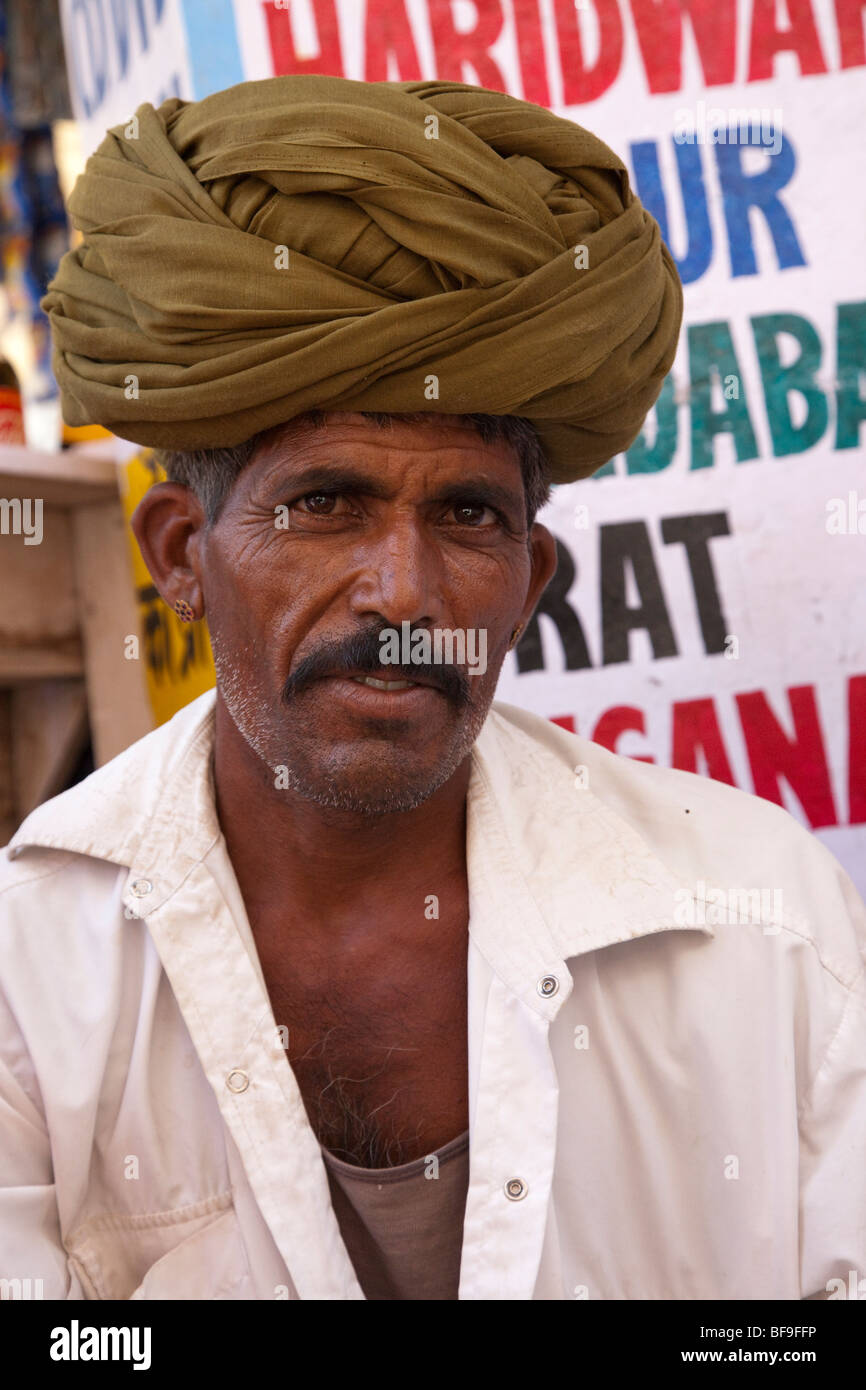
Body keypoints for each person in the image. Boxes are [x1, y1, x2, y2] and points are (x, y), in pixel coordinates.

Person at [1, 75, 863, 1301]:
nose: (400, 596)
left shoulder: (764, 929)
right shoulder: (30, 971)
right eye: (325, 506)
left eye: (465, 515)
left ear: (527, 579)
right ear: (183, 558)